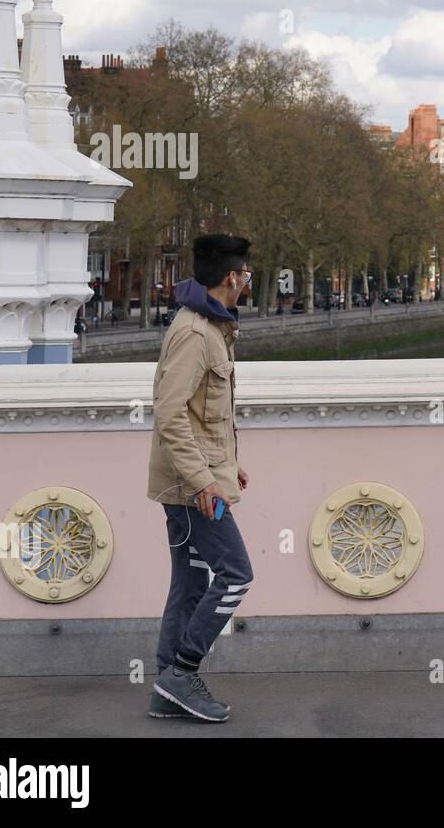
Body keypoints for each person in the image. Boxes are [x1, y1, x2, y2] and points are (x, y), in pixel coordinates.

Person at [145, 234, 253, 722]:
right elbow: (170, 417)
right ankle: (182, 673)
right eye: (246, 276)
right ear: (231, 278)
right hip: (193, 491)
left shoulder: (211, 326)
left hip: (194, 481)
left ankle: (166, 691)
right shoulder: (195, 334)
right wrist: (207, 482)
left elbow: (203, 417)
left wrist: (228, 466)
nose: (247, 283)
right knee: (235, 575)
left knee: (189, 585)